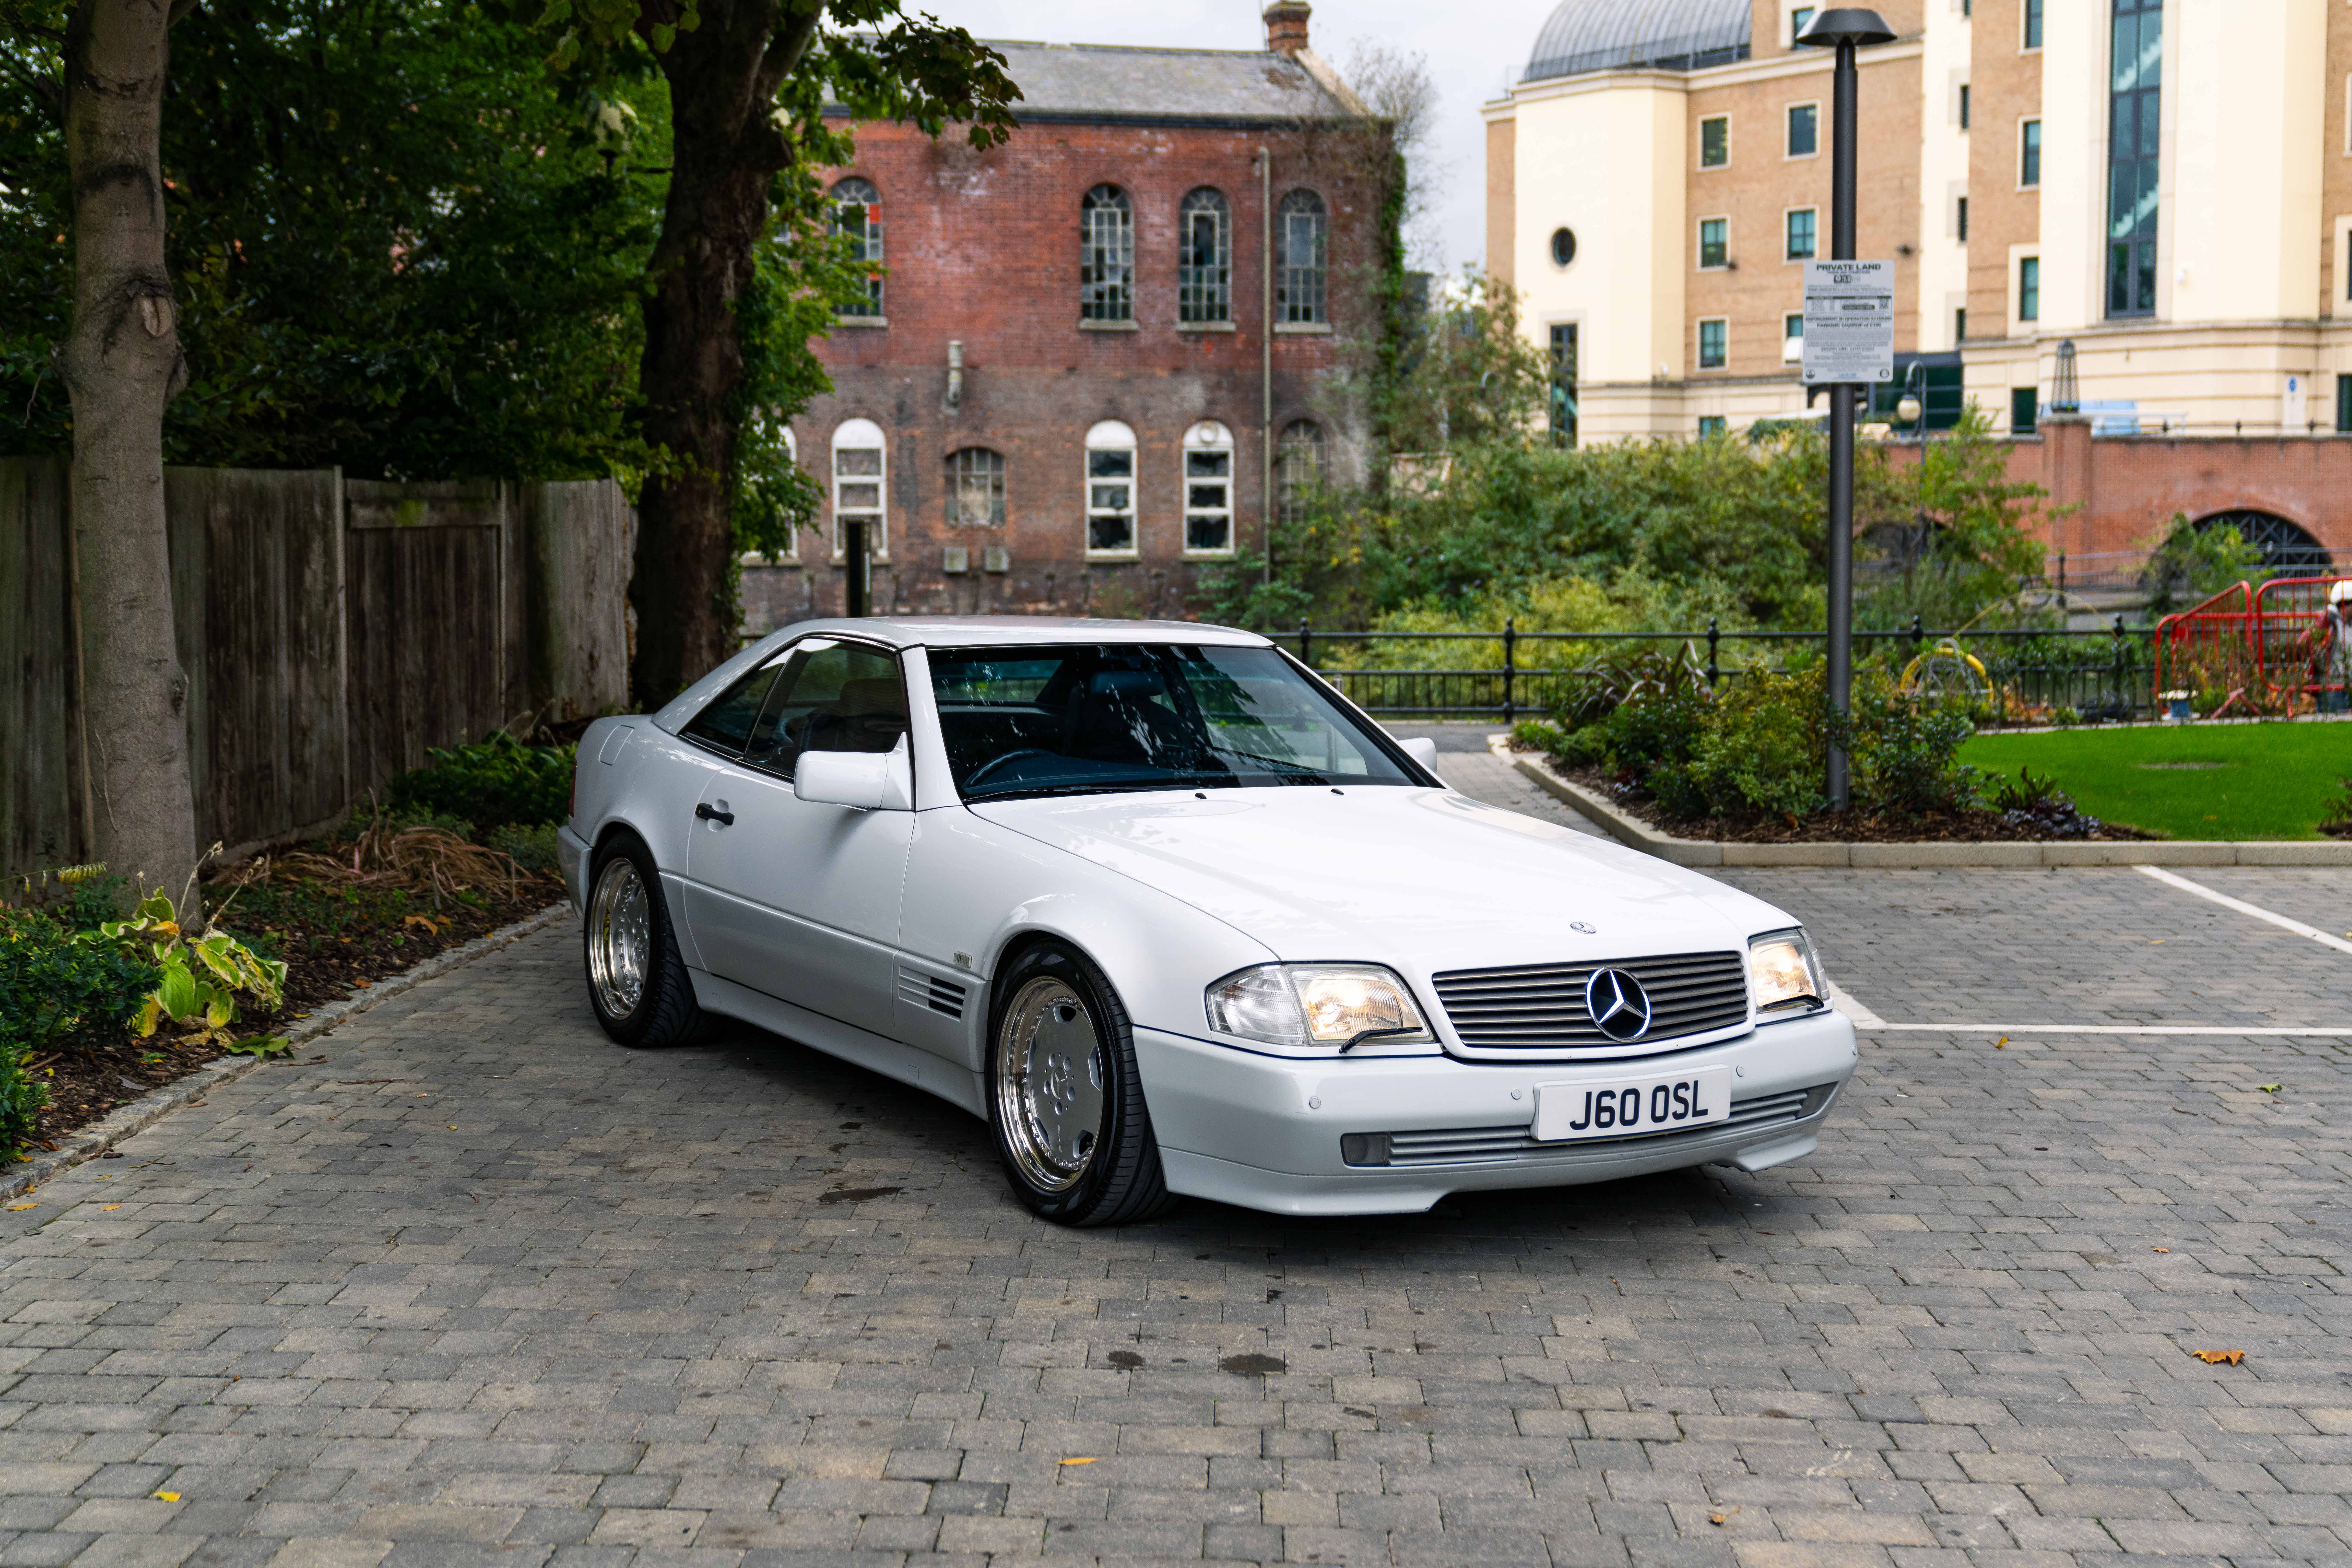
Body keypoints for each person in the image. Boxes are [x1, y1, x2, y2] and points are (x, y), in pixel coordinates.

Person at [2310, 581, 2352, 713]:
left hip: (2347, 685)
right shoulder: (2329, 621)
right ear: (2345, 604)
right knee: (2333, 720)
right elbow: (2305, 644)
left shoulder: (2348, 623)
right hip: (2333, 687)